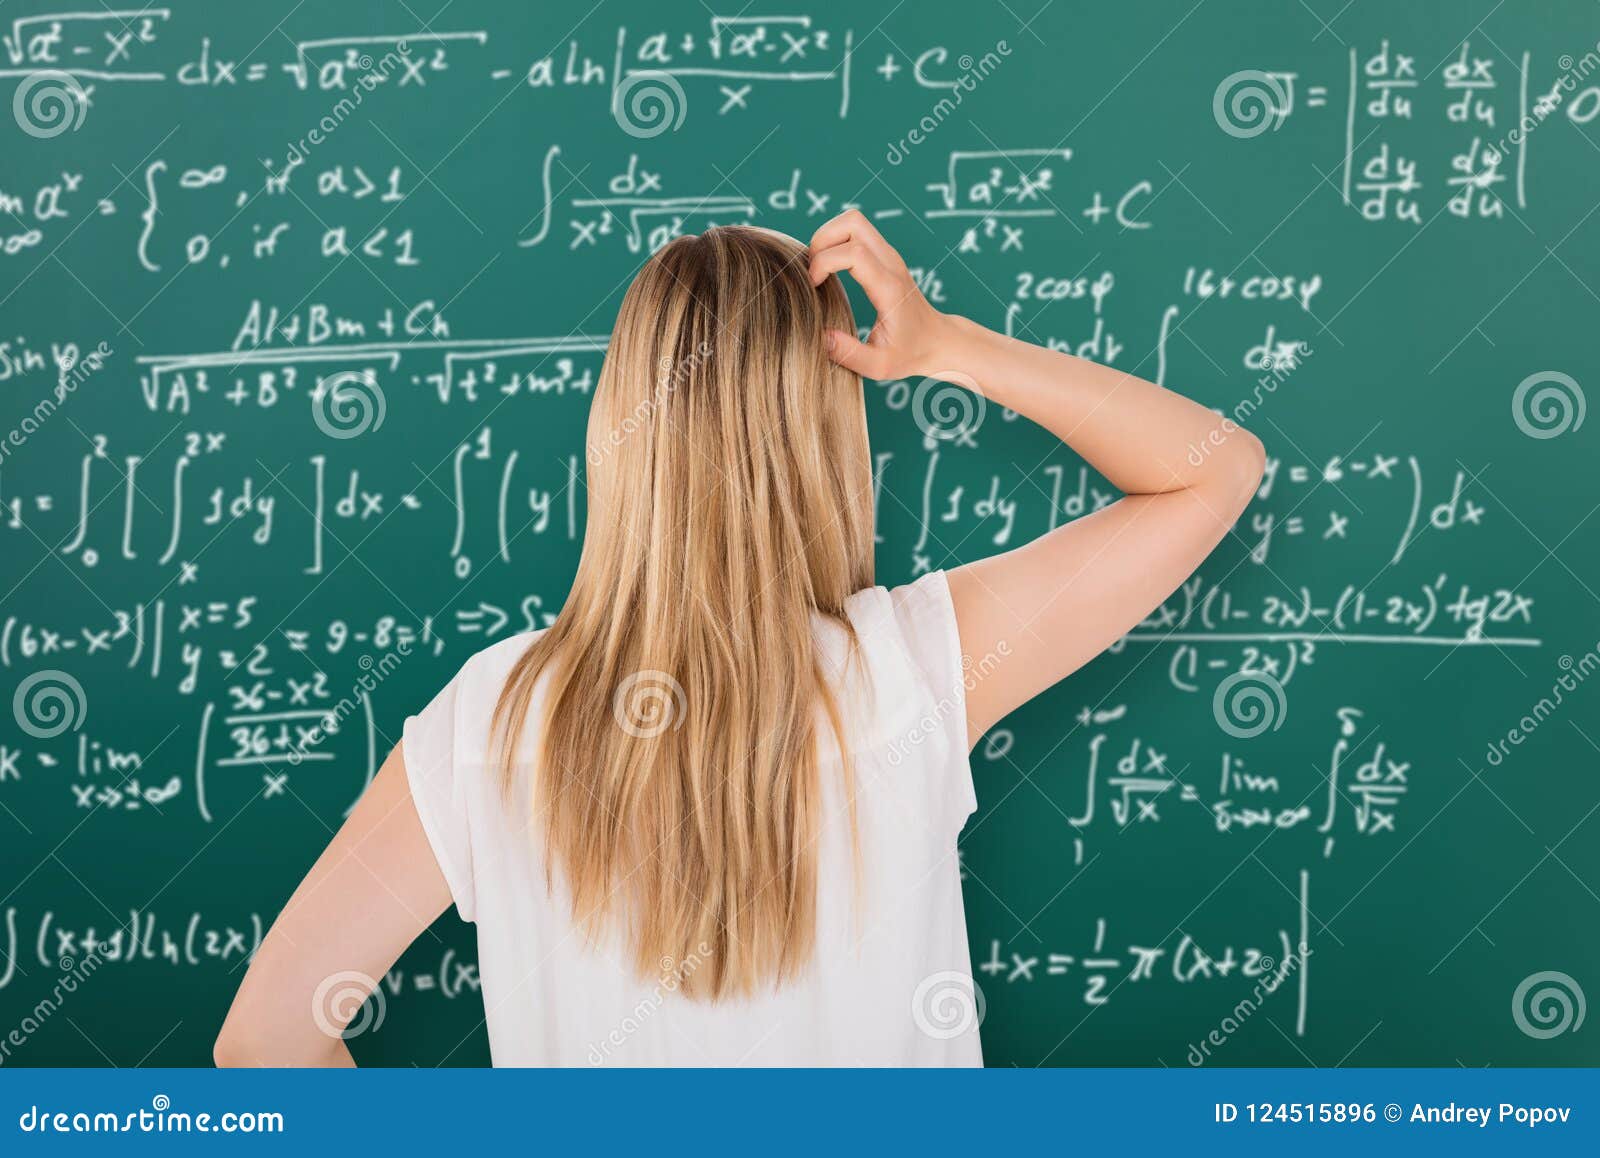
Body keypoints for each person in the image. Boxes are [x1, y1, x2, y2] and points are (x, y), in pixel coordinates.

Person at [214, 211, 1263, 1067]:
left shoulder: (490, 724)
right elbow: (1213, 468)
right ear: (822, 427)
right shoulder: (910, 674)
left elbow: (265, 1043)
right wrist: (947, 345)